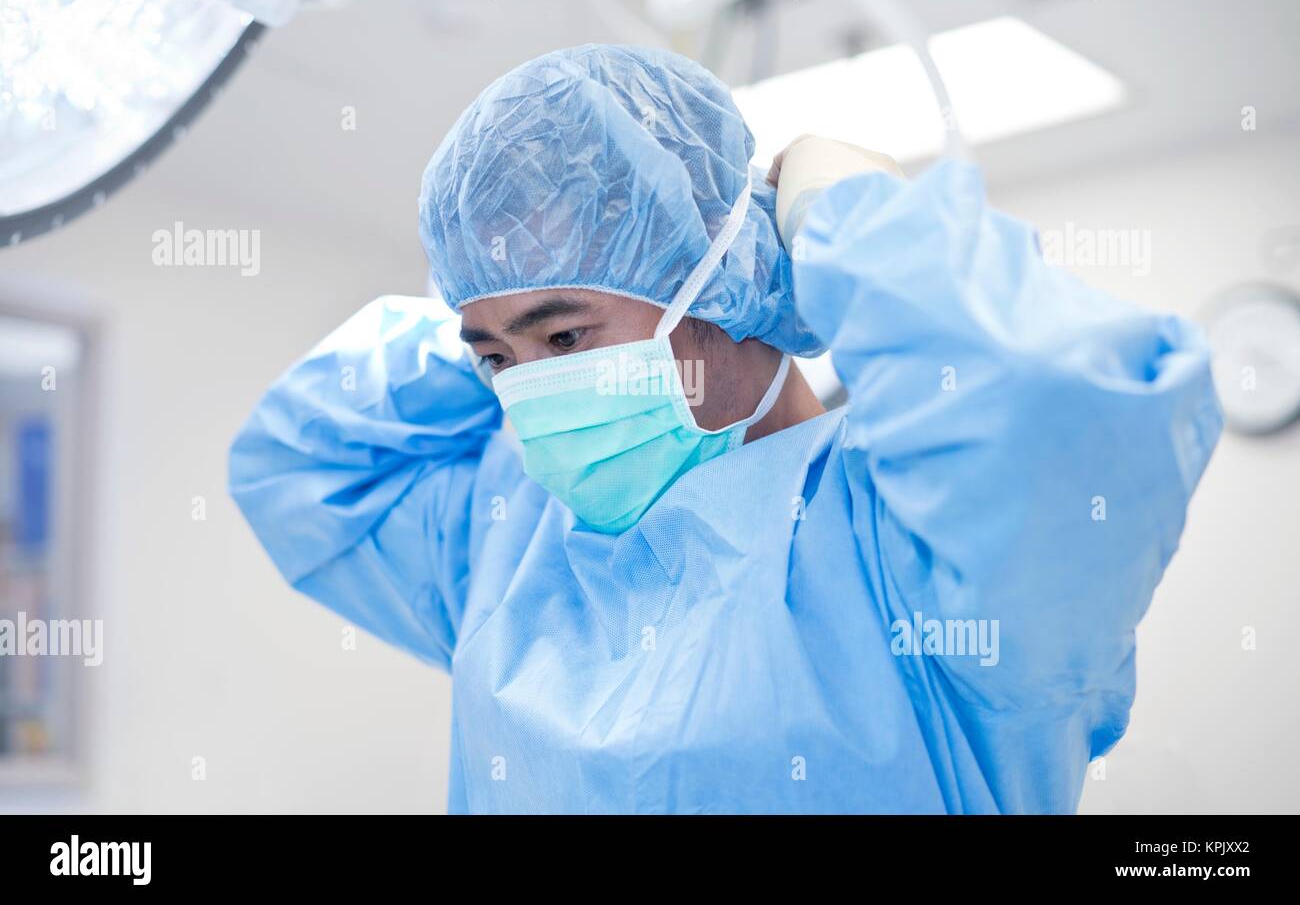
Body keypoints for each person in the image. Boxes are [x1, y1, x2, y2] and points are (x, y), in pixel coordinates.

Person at [228, 44, 1222, 813]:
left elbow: (1066, 403)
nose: (529, 393)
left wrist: (852, 225)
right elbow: (297, 463)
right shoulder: (511, 542)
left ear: (728, 286)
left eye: (567, 335)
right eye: (495, 361)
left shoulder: (915, 549)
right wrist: (485, 314)